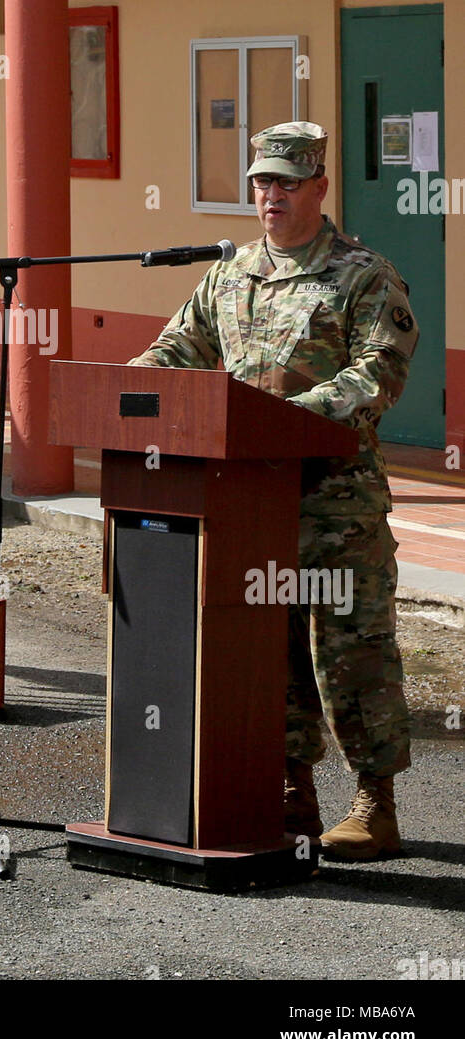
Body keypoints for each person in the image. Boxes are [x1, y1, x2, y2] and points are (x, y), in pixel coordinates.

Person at [129, 121, 419, 861]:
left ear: (319, 186)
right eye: (262, 181)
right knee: (266, 648)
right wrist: (130, 386)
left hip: (334, 506)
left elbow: (376, 374)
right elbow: (178, 347)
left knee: (347, 652)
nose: (271, 194)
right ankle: (292, 791)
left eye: (287, 181)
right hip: (245, 504)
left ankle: (374, 802)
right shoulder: (230, 275)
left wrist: (289, 416)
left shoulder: (363, 275)